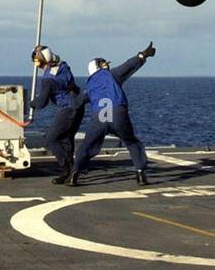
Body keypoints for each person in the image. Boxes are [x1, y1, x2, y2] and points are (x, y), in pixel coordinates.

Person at [67, 41, 157, 186]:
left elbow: (76, 103)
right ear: (98, 66)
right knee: (132, 142)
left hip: (100, 117)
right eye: (103, 63)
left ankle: (74, 175)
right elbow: (128, 66)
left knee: (86, 145)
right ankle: (140, 174)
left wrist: (70, 92)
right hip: (118, 113)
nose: (106, 65)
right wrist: (143, 55)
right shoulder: (111, 75)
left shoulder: (89, 85)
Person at [30, 45, 83, 184]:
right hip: (78, 105)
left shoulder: (48, 79)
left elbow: (42, 103)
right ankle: (71, 173)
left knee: (51, 139)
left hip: (68, 107)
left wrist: (31, 103)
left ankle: (67, 168)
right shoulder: (63, 66)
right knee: (66, 138)